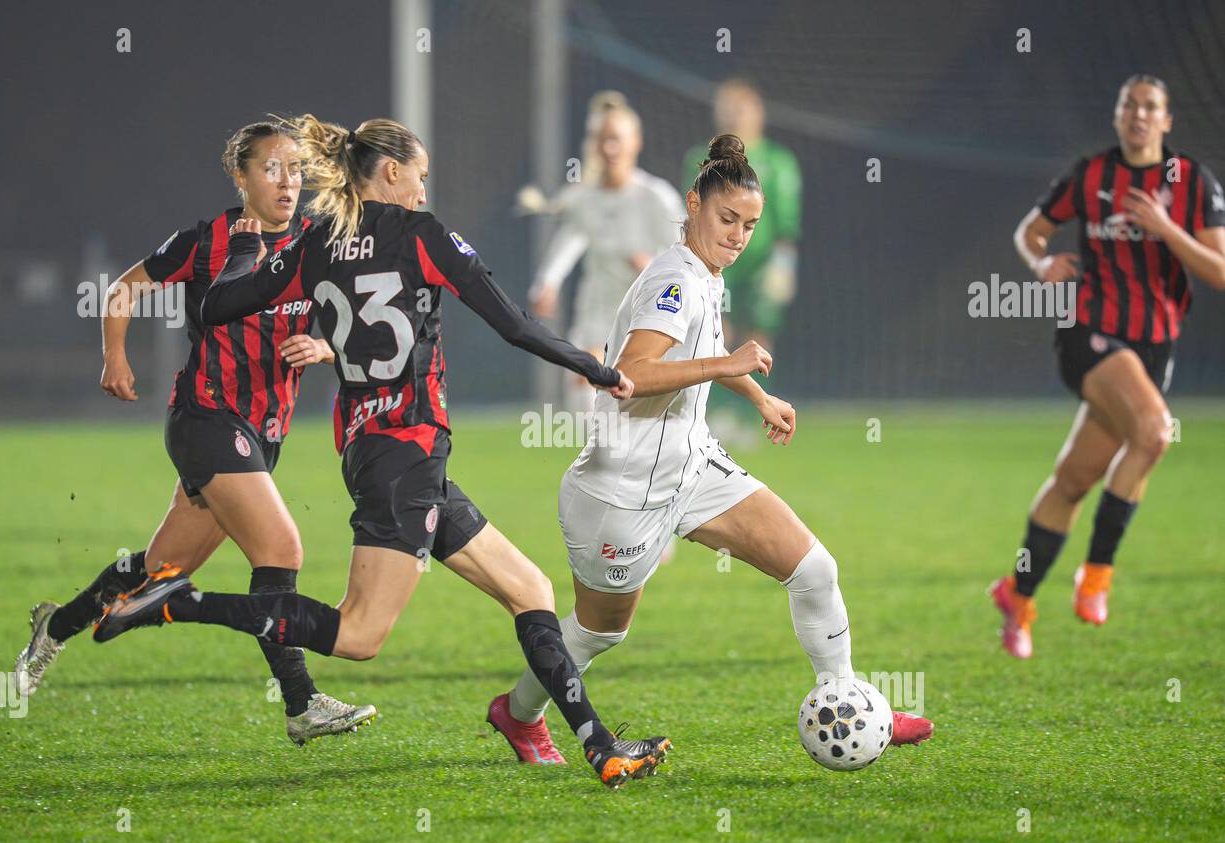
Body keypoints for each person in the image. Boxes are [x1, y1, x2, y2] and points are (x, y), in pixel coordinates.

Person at [93, 115, 672, 789]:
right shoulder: (422, 237)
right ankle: (174, 601)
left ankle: (598, 744)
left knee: (529, 589)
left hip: (378, 451)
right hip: (407, 455)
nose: (425, 191)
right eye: (420, 176)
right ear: (391, 172)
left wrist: (249, 254)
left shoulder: (313, 249)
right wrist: (598, 369)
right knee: (361, 635)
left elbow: (219, 305)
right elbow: (513, 324)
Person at [486, 134, 933, 765]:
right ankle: (518, 712)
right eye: (727, 220)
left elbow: (699, 356)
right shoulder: (675, 280)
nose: (738, 235)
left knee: (814, 569)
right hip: (623, 490)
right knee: (598, 631)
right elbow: (633, 375)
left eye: (749, 225)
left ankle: (852, 704)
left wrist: (755, 397)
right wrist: (730, 360)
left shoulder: (704, 274)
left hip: (690, 467)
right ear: (693, 204)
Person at [15, 121, 371, 745]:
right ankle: (301, 703)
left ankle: (56, 626)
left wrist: (322, 345)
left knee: (159, 569)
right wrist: (114, 357)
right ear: (240, 175)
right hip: (205, 420)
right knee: (282, 551)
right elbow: (123, 289)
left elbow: (356, 328)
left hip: (262, 435)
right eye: (271, 169)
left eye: (296, 170)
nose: (288, 182)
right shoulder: (206, 241)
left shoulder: (318, 243)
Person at [990, 74, 1225, 659]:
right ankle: (1095, 574)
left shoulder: (1190, 181)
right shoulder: (1091, 174)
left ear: (1167, 120)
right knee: (1154, 430)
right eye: (1129, 106)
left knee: (1073, 482)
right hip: (1090, 332)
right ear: (1118, 116)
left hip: (1153, 349)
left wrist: (1167, 229)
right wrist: (1040, 266)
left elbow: (1220, 270)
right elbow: (1031, 232)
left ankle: (1016, 595)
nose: (1139, 115)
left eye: (1151, 107)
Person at [526, 91, 684, 412]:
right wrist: (547, 283)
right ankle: (602, 457)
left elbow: (686, 259)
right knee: (583, 393)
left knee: (640, 410)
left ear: (636, 142)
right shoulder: (586, 199)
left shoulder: (657, 198)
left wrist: (652, 267)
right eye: (602, 139)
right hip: (596, 315)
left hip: (648, 317)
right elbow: (569, 241)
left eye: (616, 139)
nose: (609, 148)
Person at [681, 79, 801, 444]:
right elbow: (693, 214)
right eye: (727, 108)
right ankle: (713, 416)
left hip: (760, 264)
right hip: (717, 262)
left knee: (758, 338)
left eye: (742, 108)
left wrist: (784, 264)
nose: (735, 115)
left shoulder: (779, 162)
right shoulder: (698, 161)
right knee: (716, 334)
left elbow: (785, 220)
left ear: (758, 112)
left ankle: (755, 414)